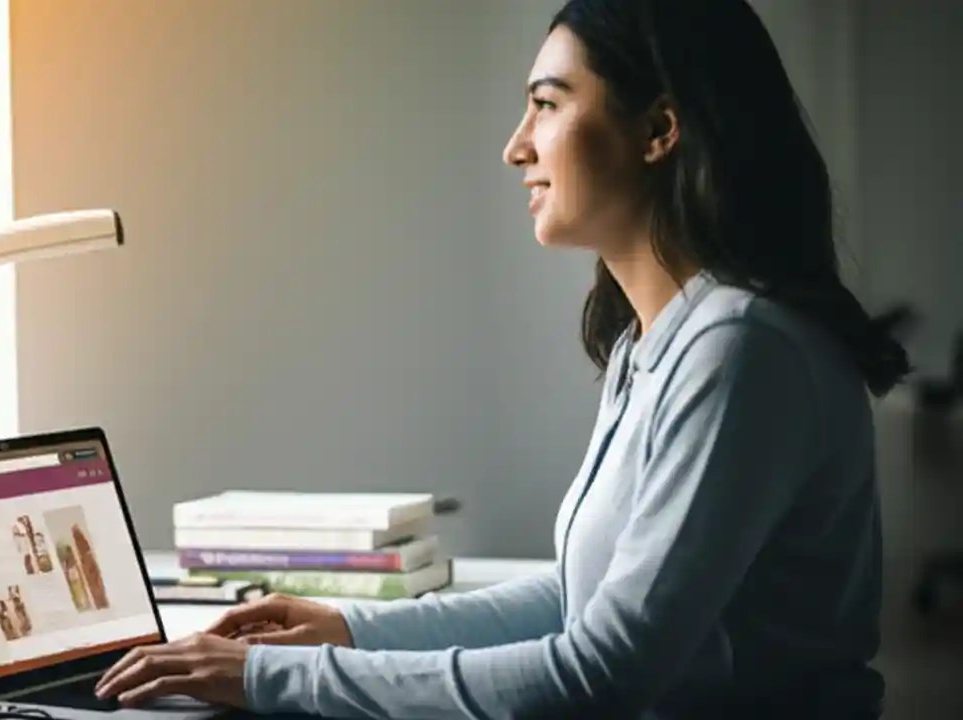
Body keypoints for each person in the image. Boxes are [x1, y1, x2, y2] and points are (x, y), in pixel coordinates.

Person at [93, 0, 908, 716]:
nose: (517, 147)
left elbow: (599, 674)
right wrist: (348, 629)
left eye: (547, 105)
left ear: (660, 129)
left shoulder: (739, 350)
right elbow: (580, 601)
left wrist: (270, 677)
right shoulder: (653, 343)